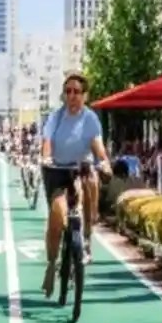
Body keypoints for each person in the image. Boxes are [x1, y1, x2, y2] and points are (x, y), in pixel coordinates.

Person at [40, 72, 111, 297]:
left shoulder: (90, 119)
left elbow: (97, 145)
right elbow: (47, 142)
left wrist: (104, 162)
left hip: (81, 169)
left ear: (84, 96)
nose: (71, 96)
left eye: (76, 92)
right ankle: (52, 264)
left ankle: (87, 237)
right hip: (58, 171)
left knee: (92, 179)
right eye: (68, 92)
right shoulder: (55, 117)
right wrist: (46, 157)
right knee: (56, 217)